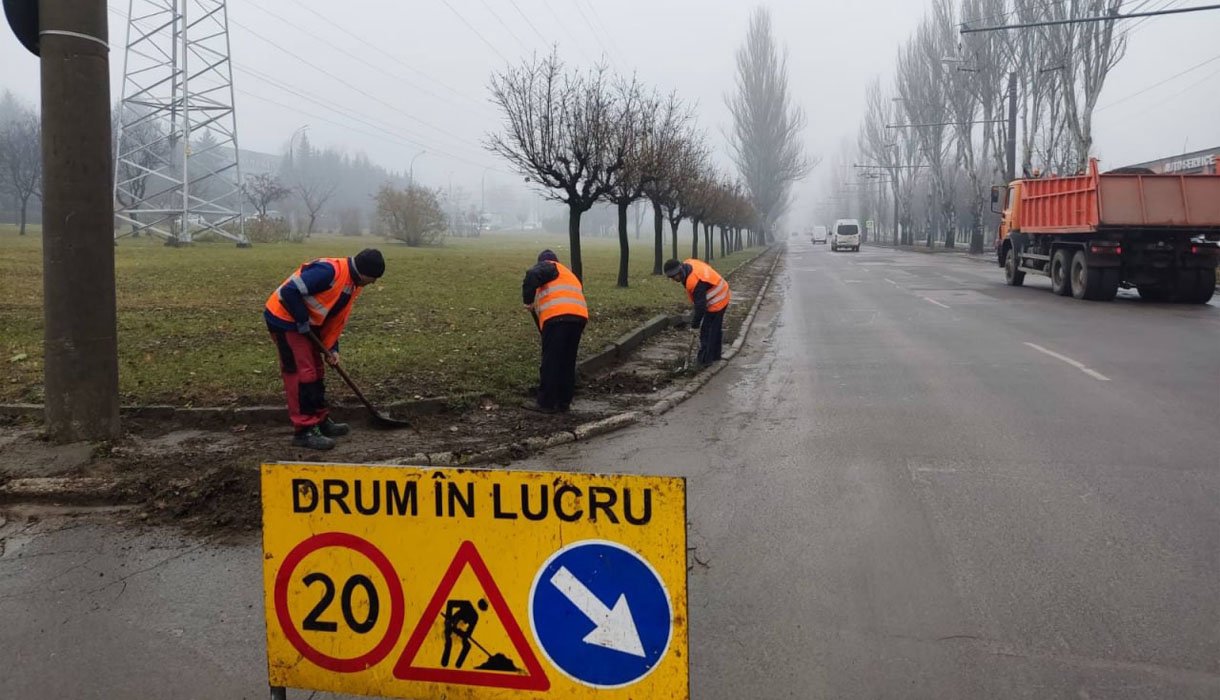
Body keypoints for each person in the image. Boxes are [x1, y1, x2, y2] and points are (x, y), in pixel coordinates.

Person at [264, 248, 385, 449]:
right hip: (285, 320)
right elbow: (289, 291)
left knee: (317, 373)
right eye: (373, 278)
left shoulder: (353, 285)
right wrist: (302, 320)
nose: (373, 283)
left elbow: (335, 319)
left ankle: (319, 420)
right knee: (303, 375)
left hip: (308, 326)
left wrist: (332, 347)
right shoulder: (329, 271)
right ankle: (304, 431)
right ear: (364, 273)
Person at [521, 249, 588, 413]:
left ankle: (546, 403)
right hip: (578, 319)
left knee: (551, 361)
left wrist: (528, 301)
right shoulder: (568, 274)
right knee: (567, 361)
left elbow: (531, 274)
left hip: (558, 318)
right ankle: (564, 401)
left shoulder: (549, 266)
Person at [663, 258, 731, 367]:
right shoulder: (688, 263)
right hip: (721, 290)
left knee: (707, 331)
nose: (673, 279)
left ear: (680, 270)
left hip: (718, 299)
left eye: (674, 276)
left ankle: (704, 361)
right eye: (671, 277)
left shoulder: (694, 282)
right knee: (715, 328)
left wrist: (695, 325)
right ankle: (715, 356)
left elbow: (700, 307)